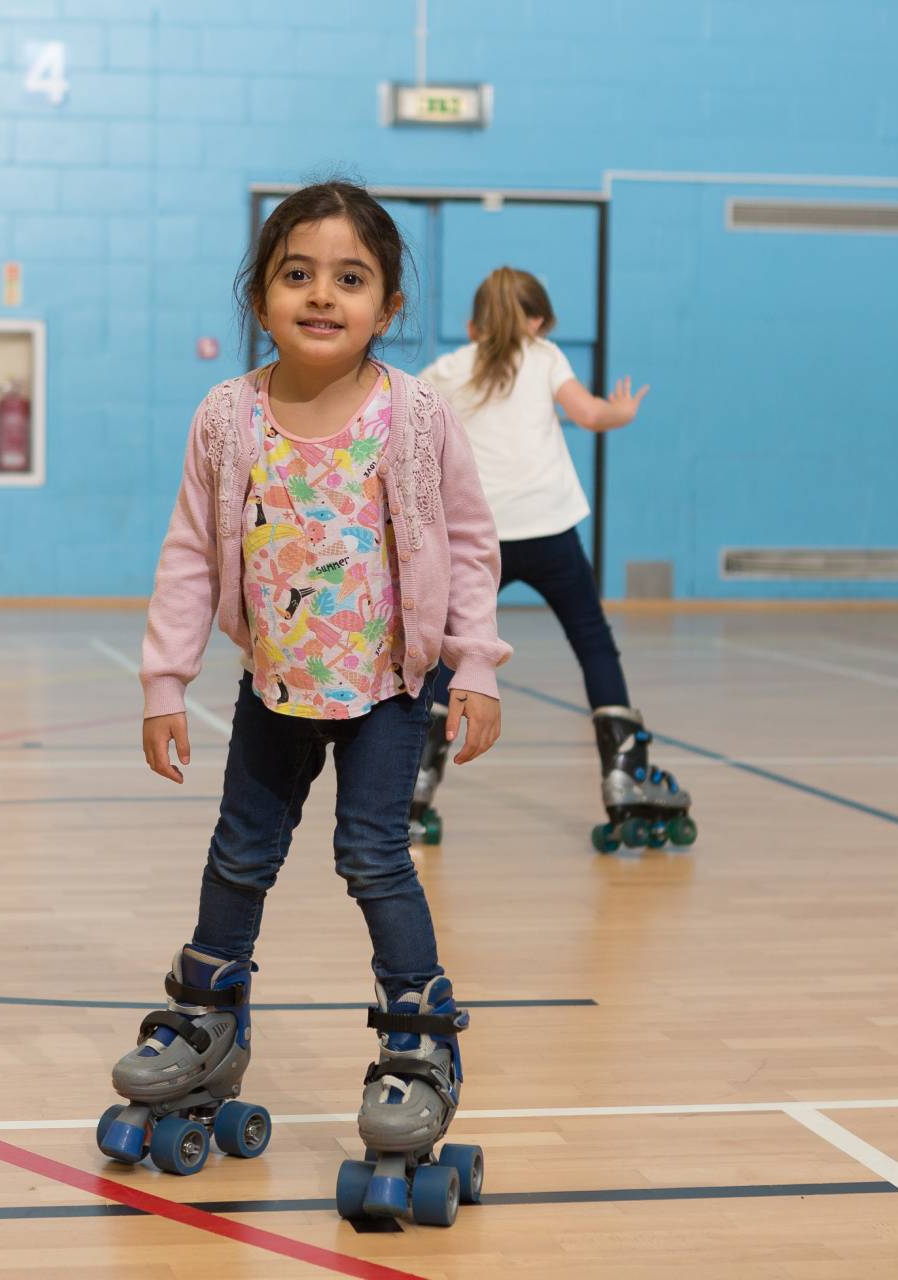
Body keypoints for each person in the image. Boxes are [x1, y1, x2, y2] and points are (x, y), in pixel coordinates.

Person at [95, 181, 508, 1227]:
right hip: (274, 687)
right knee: (240, 851)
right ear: (262, 292)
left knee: (373, 854)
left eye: (350, 278)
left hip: (385, 690)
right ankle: (208, 1022)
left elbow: (466, 543)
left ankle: (420, 1039)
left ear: (388, 301)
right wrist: (163, 678)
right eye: (297, 273)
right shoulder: (229, 416)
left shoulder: (413, 417)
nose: (322, 294)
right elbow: (192, 550)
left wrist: (478, 664)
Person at [414, 267, 696, 854]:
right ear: (538, 321)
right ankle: (624, 777)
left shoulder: (446, 371)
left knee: (448, 652)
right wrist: (621, 411)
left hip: (479, 539)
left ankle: (414, 784)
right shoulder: (544, 358)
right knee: (592, 640)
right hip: (549, 530)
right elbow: (592, 416)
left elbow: (402, 424)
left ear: (471, 325)